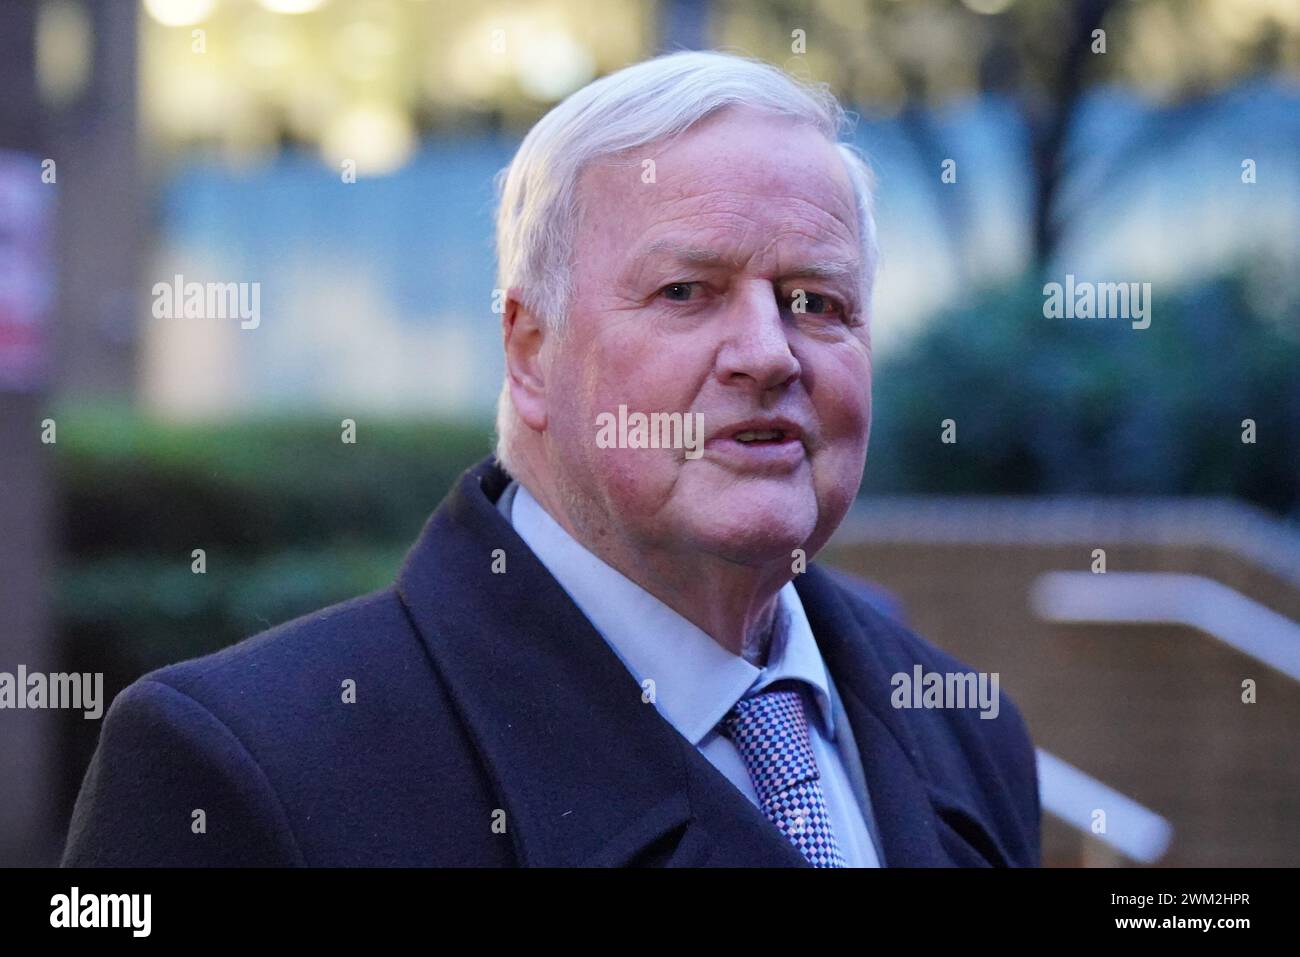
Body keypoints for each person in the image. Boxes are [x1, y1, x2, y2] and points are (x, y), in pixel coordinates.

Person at [62, 50, 1040, 868]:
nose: (769, 352)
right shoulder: (249, 767)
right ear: (530, 351)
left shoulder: (968, 731)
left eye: (815, 302)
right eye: (687, 292)